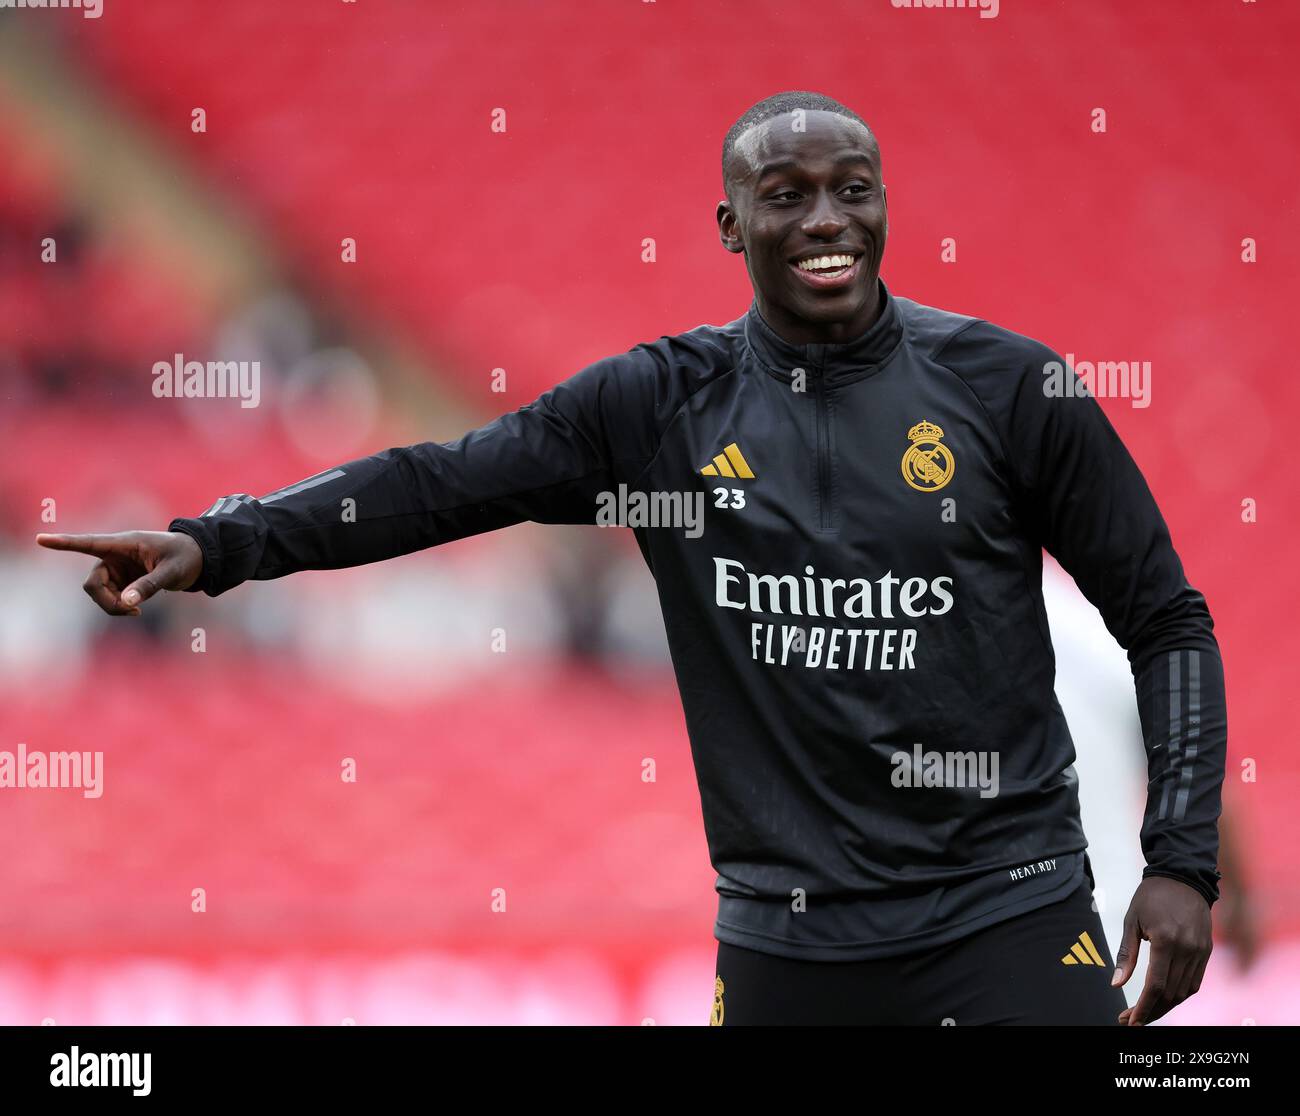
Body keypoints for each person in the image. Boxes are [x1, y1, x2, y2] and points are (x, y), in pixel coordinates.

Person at [37, 90, 1225, 1026]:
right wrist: (218, 542)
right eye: (786, 193)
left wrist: (1180, 861)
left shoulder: (1009, 389)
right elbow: (442, 483)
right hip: (787, 939)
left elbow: (1164, 616)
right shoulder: (659, 406)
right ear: (729, 223)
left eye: (852, 190)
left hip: (1008, 912)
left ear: (884, 207)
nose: (825, 218)